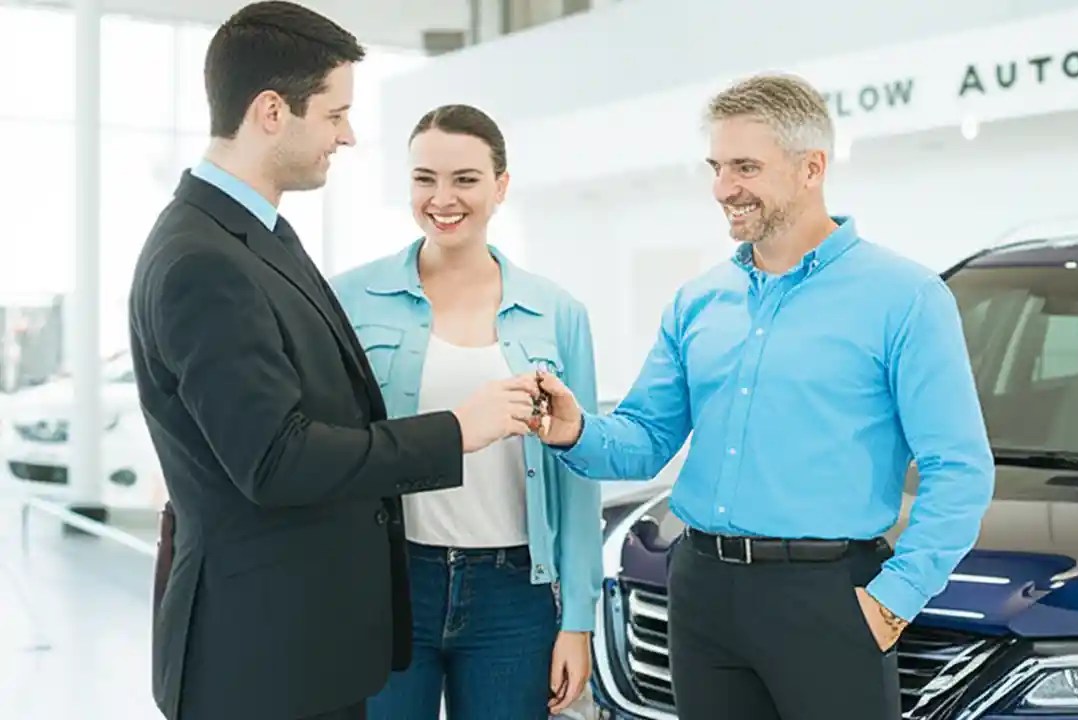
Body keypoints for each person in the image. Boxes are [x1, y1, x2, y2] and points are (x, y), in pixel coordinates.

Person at [534, 73, 996, 719]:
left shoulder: (905, 297)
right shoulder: (698, 300)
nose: (724, 188)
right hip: (703, 590)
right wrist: (576, 430)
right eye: (717, 167)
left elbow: (960, 468)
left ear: (812, 168)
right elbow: (646, 436)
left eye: (746, 167)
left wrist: (895, 597)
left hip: (828, 596)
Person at [128, 5, 542, 719]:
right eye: (334, 114)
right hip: (259, 659)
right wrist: (456, 430)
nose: (347, 136)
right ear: (270, 111)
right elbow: (275, 460)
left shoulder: (257, 235)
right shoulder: (204, 260)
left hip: (303, 642)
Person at [330, 104, 602, 720]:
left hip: (515, 594)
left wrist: (578, 622)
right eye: (424, 178)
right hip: (391, 584)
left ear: (501, 187)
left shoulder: (557, 313)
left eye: (465, 179)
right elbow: (333, 452)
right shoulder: (350, 298)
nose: (442, 198)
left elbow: (579, 471)